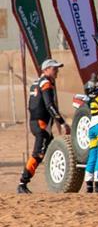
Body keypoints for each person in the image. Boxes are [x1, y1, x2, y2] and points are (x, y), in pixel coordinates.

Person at [17, 58, 66, 194]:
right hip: (41, 124)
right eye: (54, 68)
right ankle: (22, 182)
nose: (57, 71)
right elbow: (49, 105)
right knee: (38, 154)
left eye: (57, 68)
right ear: (45, 70)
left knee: (52, 149)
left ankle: (57, 179)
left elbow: (32, 105)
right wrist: (62, 122)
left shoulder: (35, 83)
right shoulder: (46, 84)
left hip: (35, 122)